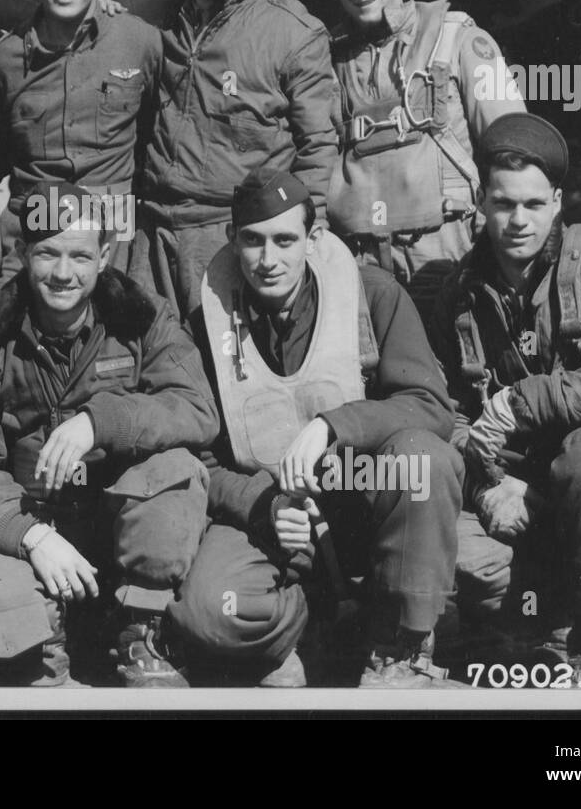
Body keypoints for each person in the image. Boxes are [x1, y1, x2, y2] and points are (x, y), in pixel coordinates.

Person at [172, 168, 466, 687]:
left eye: (285, 240)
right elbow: (201, 455)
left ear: (313, 239)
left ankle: (402, 646)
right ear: (231, 241)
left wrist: (335, 425)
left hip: (361, 498)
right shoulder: (209, 324)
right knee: (208, 612)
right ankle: (309, 630)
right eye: (253, 241)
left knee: (424, 458)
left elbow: (430, 405)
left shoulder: (371, 295)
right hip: (269, 517)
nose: (268, 260)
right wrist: (264, 506)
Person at [0, 183, 218, 686]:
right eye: (48, 253)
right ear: (23, 255)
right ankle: (44, 651)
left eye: (79, 255)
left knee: (176, 471)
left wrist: (102, 421)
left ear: (103, 257)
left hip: (119, 519)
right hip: (34, 521)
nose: (62, 272)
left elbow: (197, 409)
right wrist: (29, 537)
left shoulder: (144, 319)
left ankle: (143, 632)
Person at [430, 114, 581, 684]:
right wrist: (488, 484)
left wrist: (524, 401)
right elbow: (445, 411)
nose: (518, 220)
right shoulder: (458, 295)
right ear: (480, 201)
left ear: (558, 202)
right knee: (447, 531)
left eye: (533, 204)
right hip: (516, 492)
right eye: (503, 203)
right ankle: (539, 631)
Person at [131, 0, 339, 321]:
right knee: (151, 368)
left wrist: (310, 231)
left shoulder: (289, 31)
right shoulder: (165, 30)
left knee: (226, 374)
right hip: (153, 236)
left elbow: (319, 144)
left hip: (228, 237)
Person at [321, 0, 525, 316]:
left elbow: (516, 148)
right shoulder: (326, 61)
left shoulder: (460, 38)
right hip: (358, 266)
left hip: (447, 256)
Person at [0, 0, 161, 277]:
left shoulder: (140, 42)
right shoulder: (3, 62)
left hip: (115, 249)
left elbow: (155, 132)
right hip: (34, 247)